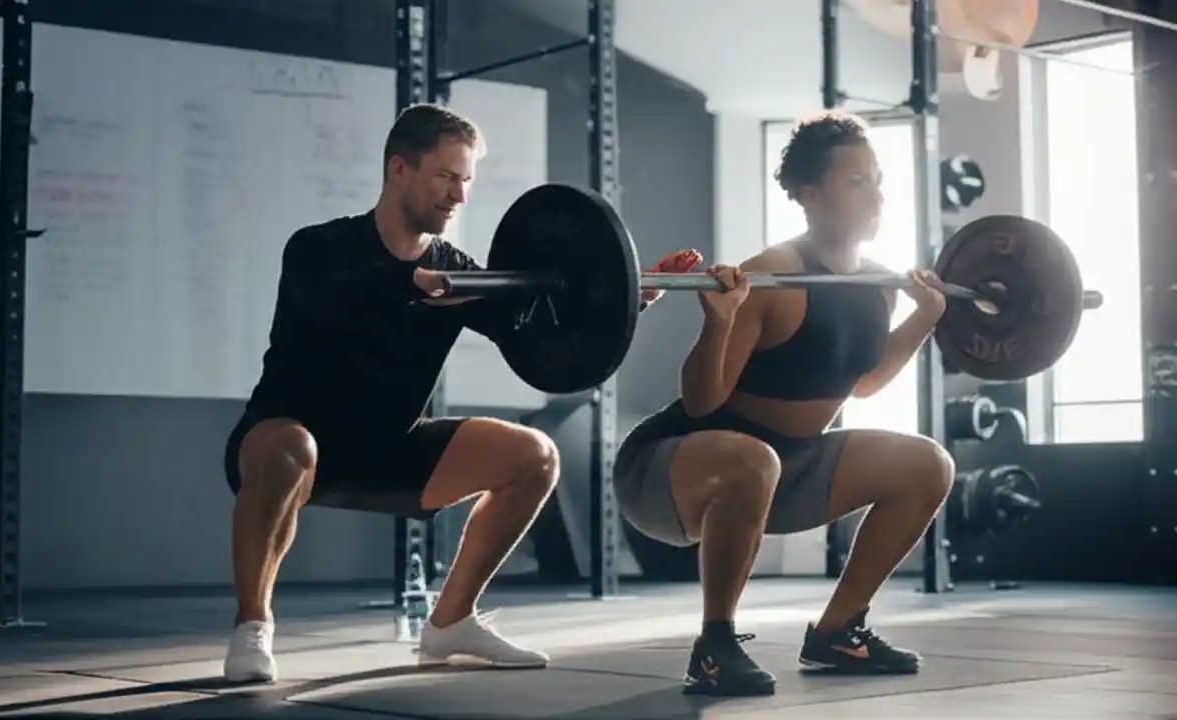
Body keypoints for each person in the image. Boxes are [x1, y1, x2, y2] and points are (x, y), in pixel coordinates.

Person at [221, 103, 699, 683]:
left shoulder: (453, 269)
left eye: (465, 180)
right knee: (288, 444)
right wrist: (414, 288)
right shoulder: (317, 248)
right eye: (445, 177)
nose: (458, 196)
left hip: (388, 452)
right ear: (399, 168)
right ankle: (253, 628)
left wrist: (628, 292)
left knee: (533, 457)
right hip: (286, 444)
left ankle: (450, 623)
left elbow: (535, 329)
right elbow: (340, 301)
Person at [614, 111, 955, 697]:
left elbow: (864, 382)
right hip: (669, 471)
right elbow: (702, 402)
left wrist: (925, 318)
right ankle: (714, 646)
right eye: (857, 182)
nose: (876, 195)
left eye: (877, 179)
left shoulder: (875, 283)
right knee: (753, 460)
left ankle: (838, 631)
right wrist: (717, 325)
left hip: (786, 466)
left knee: (929, 465)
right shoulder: (770, 275)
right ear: (810, 194)